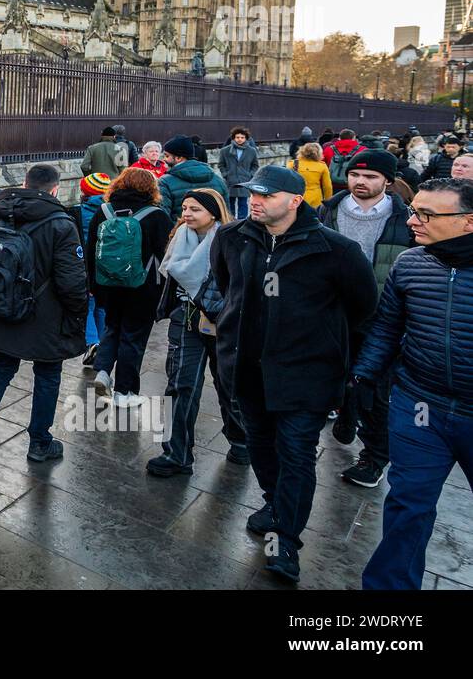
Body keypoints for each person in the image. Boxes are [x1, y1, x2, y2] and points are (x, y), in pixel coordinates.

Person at [210, 164, 377, 584]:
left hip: (306, 378)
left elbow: (363, 310)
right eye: (252, 193)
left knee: (296, 455)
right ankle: (274, 501)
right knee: (261, 448)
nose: (256, 201)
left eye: (266, 195)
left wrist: (343, 364)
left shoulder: (336, 251)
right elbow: (227, 286)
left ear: (296, 200)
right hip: (247, 372)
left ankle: (286, 540)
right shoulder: (233, 237)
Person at [352, 178, 473, 589]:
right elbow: (387, 328)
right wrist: (362, 376)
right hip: (419, 405)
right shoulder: (410, 263)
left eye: (426, 214)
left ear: (468, 222)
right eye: (413, 211)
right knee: (407, 505)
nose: (412, 221)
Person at [0, 164, 86, 465]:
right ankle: (40, 441)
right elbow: (72, 282)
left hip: (2, 308)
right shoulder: (61, 224)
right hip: (45, 316)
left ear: (26, 183)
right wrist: (78, 314)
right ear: (55, 189)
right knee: (47, 374)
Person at [318, 150, 415, 488]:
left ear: (387, 181)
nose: (361, 182)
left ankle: (373, 458)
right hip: (332, 313)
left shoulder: (406, 220)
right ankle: (345, 412)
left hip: (381, 318)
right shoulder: (328, 211)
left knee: (375, 389)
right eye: (356, 175)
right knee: (332, 376)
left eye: (371, 177)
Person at [148, 188, 249, 475]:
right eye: (184, 208)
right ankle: (176, 454)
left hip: (224, 323)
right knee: (180, 385)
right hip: (186, 320)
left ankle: (241, 441)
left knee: (228, 385)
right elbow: (170, 276)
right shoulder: (180, 235)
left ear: (214, 213)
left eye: (195, 209)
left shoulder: (233, 239)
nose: (187, 214)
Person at [87, 167, 173, 407]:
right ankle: (125, 393)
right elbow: (166, 256)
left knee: (112, 327)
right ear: (151, 189)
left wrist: (93, 284)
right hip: (142, 288)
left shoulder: (103, 211)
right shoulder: (156, 215)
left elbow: (91, 250)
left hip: (107, 284)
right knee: (133, 337)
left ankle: (103, 370)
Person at [76, 172, 112, 366]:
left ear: (85, 192)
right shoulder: (113, 211)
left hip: (86, 267)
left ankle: (92, 342)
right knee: (102, 307)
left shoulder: (79, 212)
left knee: (87, 306)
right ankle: (104, 344)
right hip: (107, 268)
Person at [157, 134, 227, 220]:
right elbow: (226, 213)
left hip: (180, 231)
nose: (164, 159)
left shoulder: (164, 182)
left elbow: (163, 216)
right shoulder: (217, 179)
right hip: (213, 231)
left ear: (178, 158)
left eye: (167, 156)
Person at [219, 126, 259, 219]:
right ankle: (231, 221)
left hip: (244, 181)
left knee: (243, 203)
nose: (240, 139)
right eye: (237, 137)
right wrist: (226, 174)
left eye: (242, 137)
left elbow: (255, 165)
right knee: (230, 203)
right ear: (233, 138)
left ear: (246, 138)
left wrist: (250, 175)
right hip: (230, 181)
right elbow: (221, 164)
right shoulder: (225, 151)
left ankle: (242, 222)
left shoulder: (251, 151)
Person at [286, 141, 333, 209]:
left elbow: (287, 182)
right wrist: (328, 201)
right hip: (315, 198)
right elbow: (327, 186)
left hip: (296, 197)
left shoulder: (292, 164)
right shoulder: (321, 166)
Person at [323, 128, 365, 192]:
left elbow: (323, 164)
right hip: (354, 185)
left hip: (332, 184)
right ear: (354, 138)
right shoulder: (362, 150)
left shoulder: (328, 149)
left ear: (339, 138)